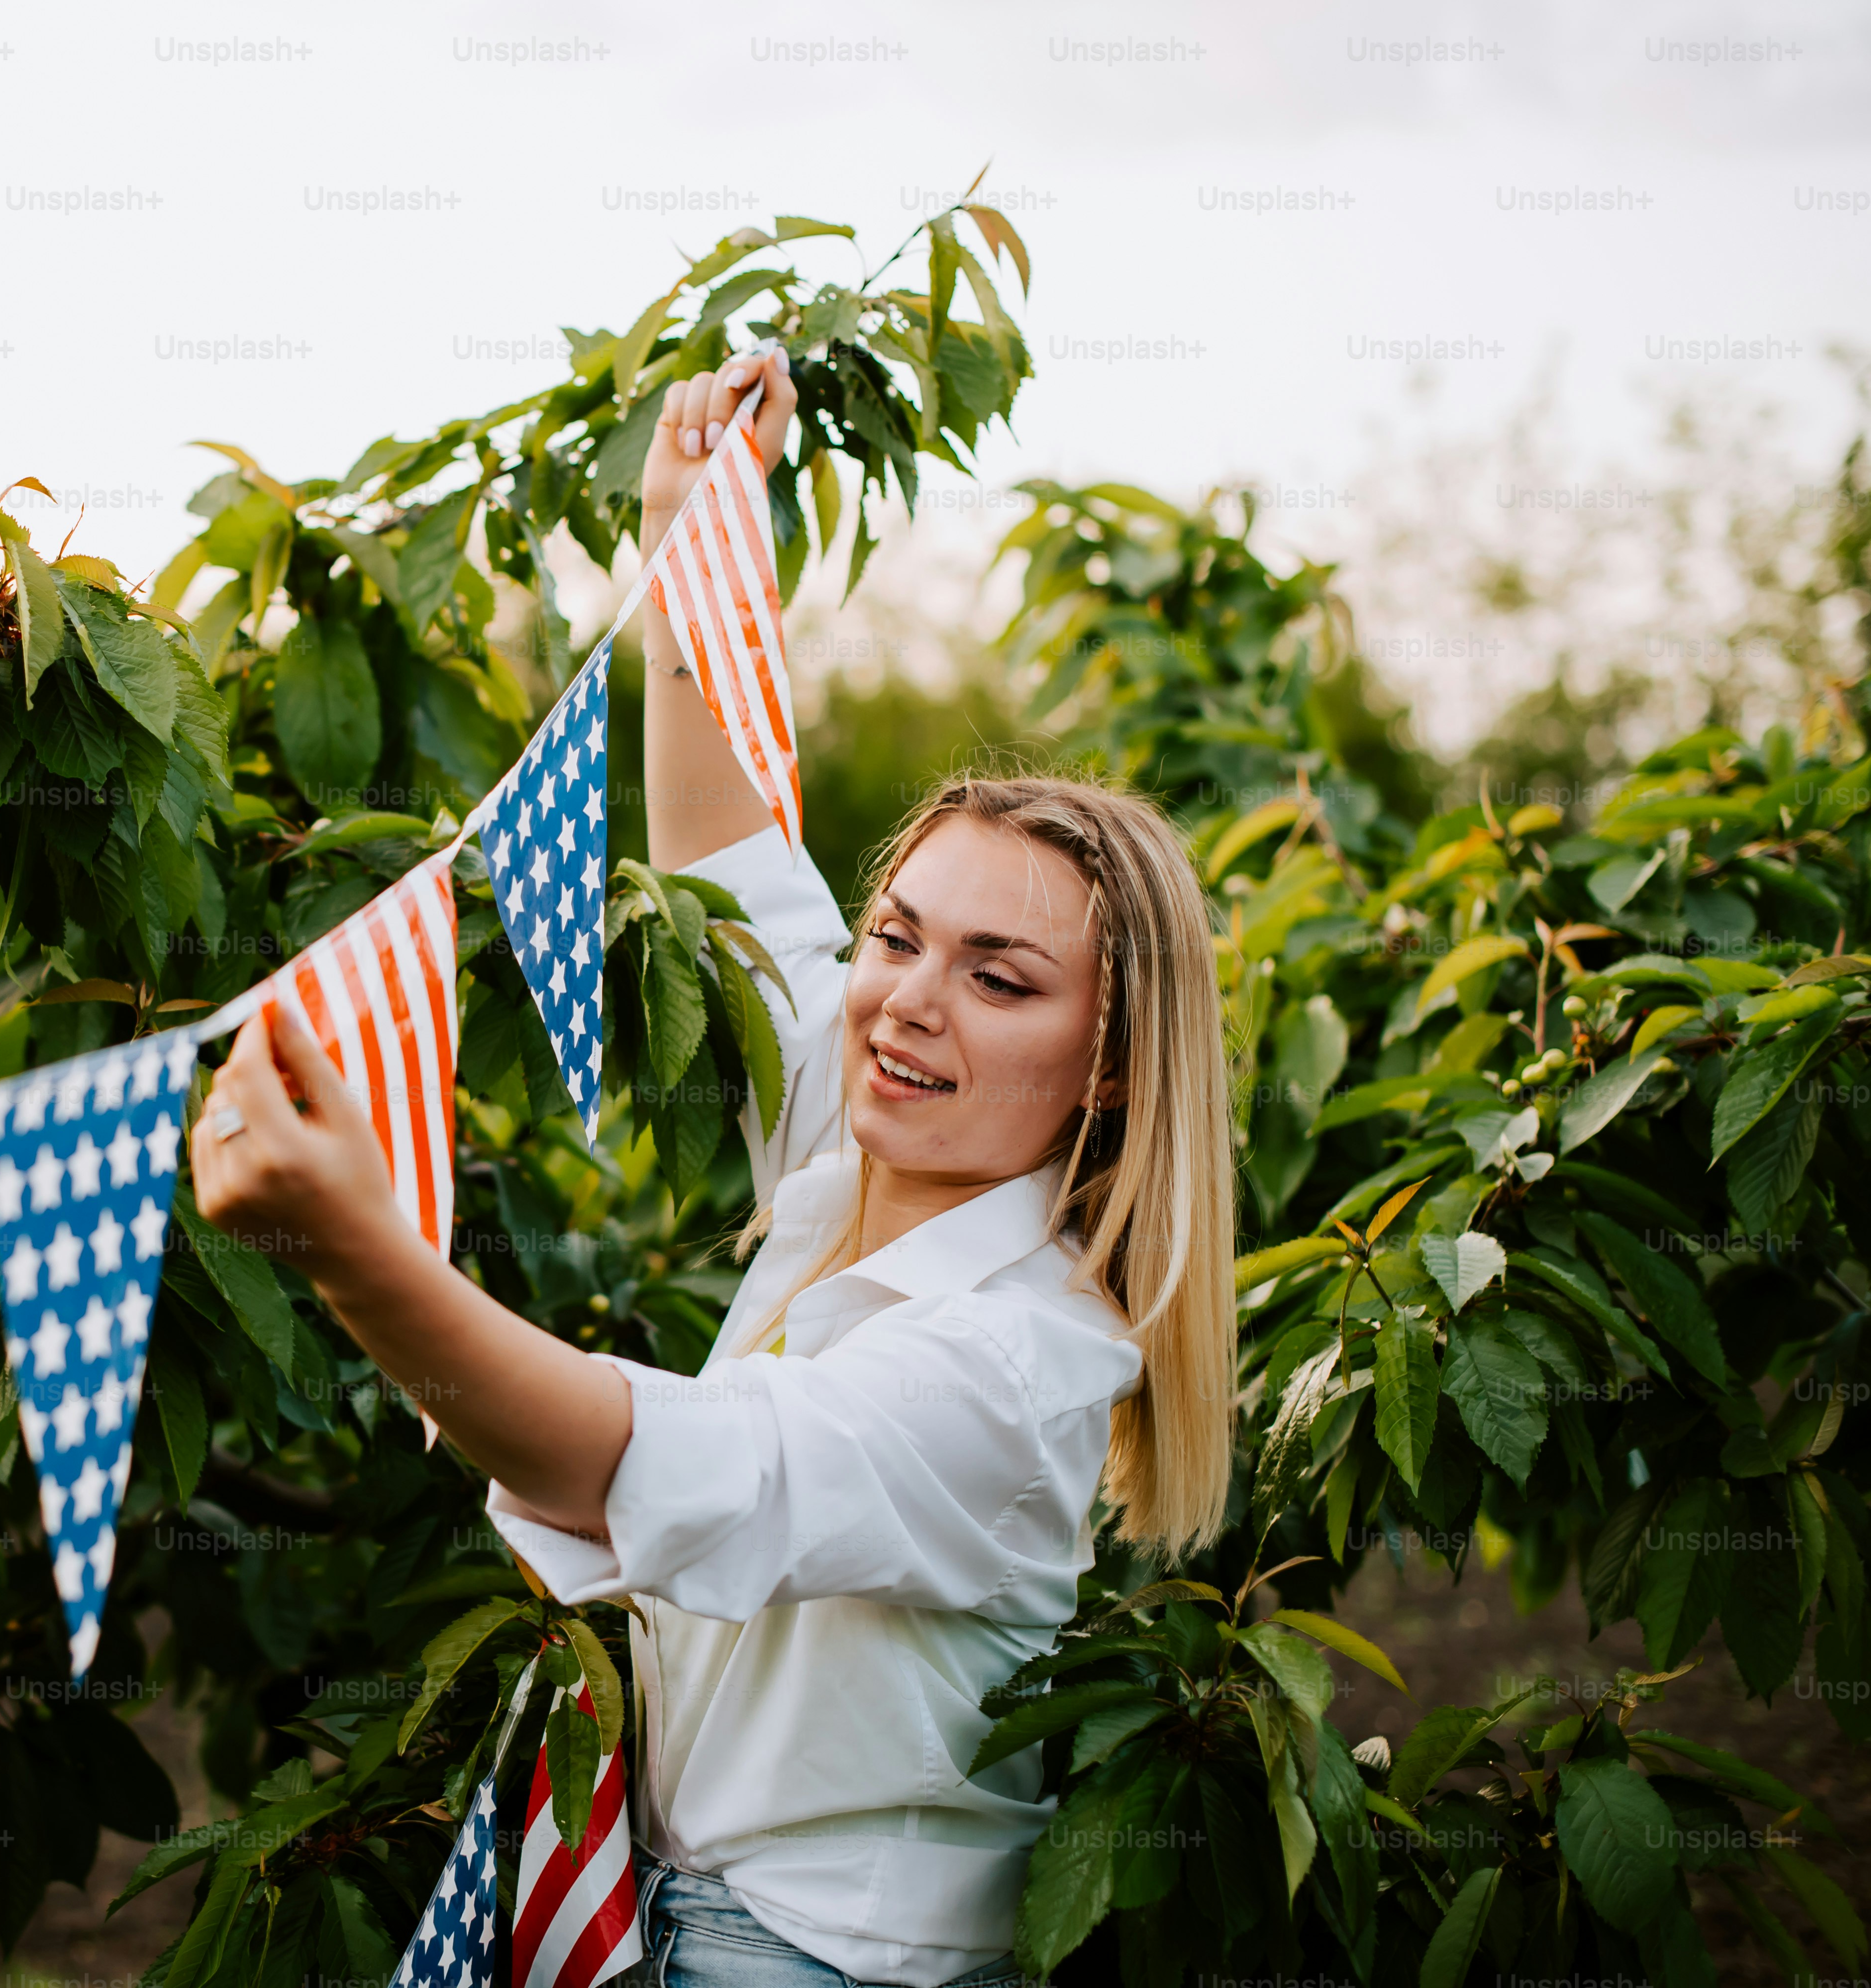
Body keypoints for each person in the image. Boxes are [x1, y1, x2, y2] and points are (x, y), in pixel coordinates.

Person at [189, 349, 1236, 1988]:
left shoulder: (1012, 1362)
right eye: (897, 937)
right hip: (662, 1892)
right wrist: (691, 544)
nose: (905, 999)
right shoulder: (872, 1117)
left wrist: (352, 1247)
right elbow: (733, 868)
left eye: (998, 976)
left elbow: (656, 1458)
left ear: (1108, 1065)